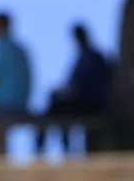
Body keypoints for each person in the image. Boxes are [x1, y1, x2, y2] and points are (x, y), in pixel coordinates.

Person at [37, 22, 114, 154]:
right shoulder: (87, 57)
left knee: (56, 108)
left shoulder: (91, 57)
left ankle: (45, 149)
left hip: (89, 104)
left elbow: (81, 86)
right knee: (56, 108)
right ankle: (54, 148)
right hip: (84, 102)